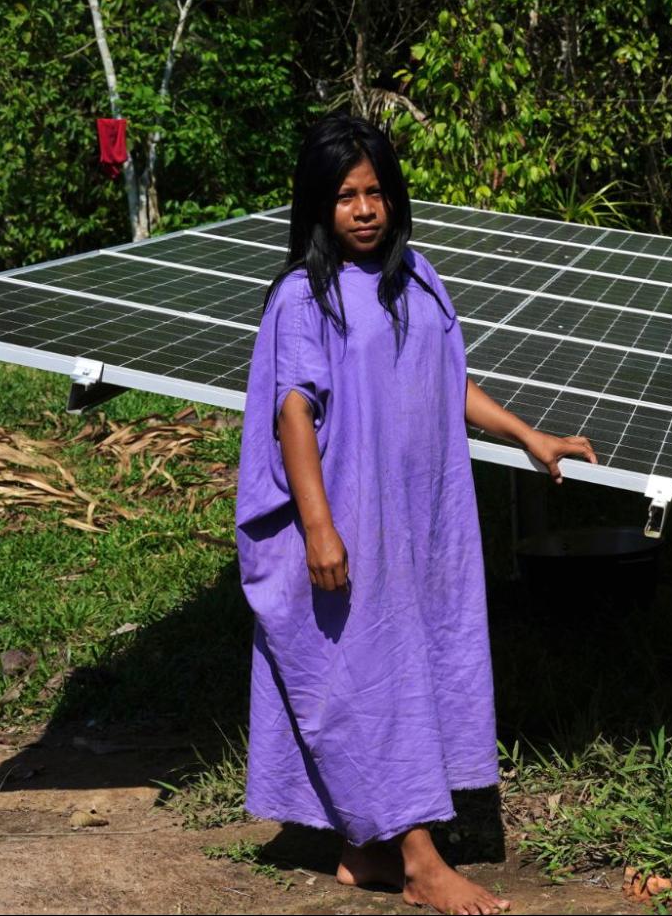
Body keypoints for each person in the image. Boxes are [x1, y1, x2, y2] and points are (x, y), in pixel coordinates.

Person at [234, 116, 595, 916]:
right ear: (317, 207)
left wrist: (528, 436)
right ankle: (422, 859)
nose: (363, 210)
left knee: (418, 662)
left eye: (375, 193)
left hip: (420, 518)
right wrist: (319, 526)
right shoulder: (304, 296)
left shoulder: (417, 277)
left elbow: (446, 379)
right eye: (344, 196)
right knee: (371, 676)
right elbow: (293, 412)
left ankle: (363, 849)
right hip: (352, 516)